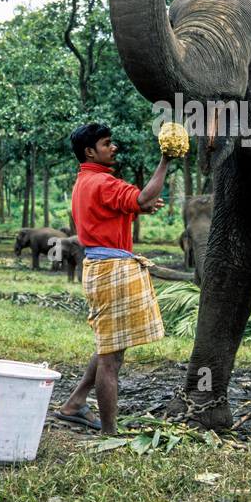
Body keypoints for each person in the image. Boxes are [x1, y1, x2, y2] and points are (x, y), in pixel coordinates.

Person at [59, 123, 168, 435]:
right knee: (112, 359)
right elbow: (144, 197)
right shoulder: (104, 182)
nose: (113, 147)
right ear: (90, 151)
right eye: (107, 144)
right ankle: (109, 432)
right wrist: (166, 160)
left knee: (110, 344)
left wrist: (142, 206)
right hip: (112, 270)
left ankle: (75, 403)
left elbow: (134, 205)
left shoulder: (85, 181)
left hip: (99, 265)